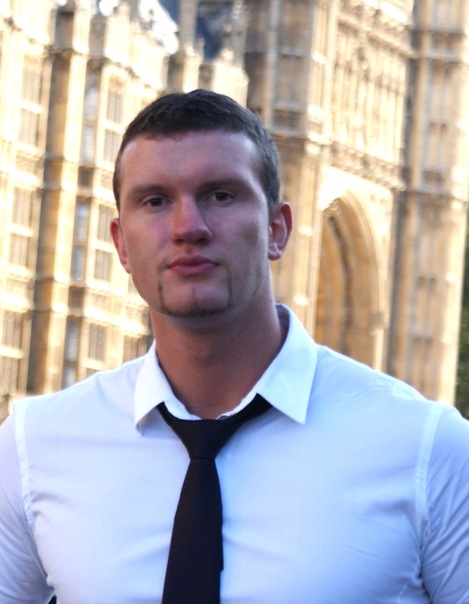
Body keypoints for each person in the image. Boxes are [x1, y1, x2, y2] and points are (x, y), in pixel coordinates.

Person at [1, 89, 469, 604]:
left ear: (277, 229)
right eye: (155, 201)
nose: (188, 227)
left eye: (220, 195)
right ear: (121, 244)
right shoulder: (33, 446)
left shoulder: (429, 450)